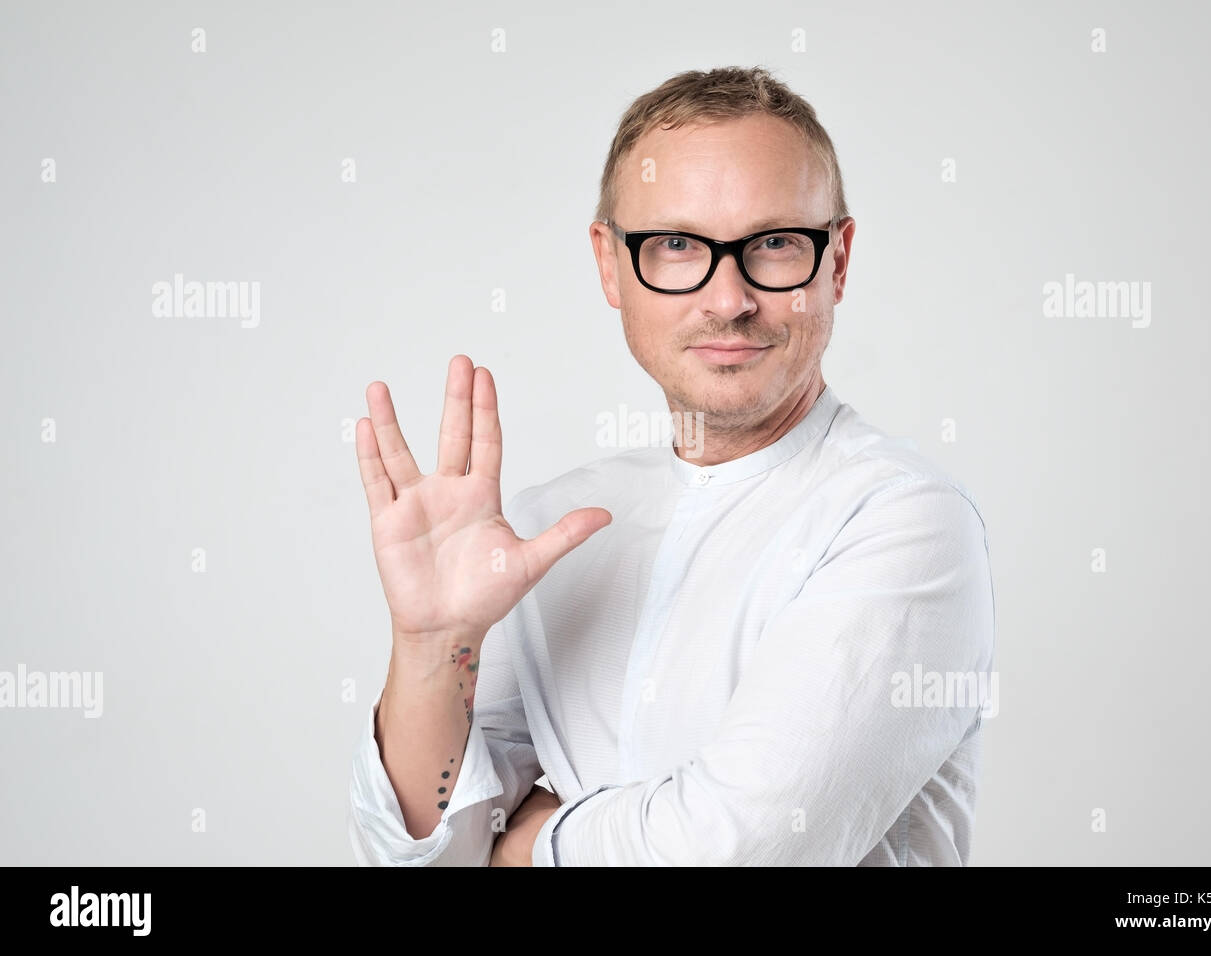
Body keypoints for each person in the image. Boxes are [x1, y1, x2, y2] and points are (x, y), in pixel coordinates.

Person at [347, 65, 996, 866]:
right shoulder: (554, 526)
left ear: (837, 261)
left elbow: (740, 850)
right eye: (679, 245)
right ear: (610, 265)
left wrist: (520, 847)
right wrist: (431, 645)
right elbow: (423, 854)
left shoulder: (904, 519)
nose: (728, 300)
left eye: (776, 243)